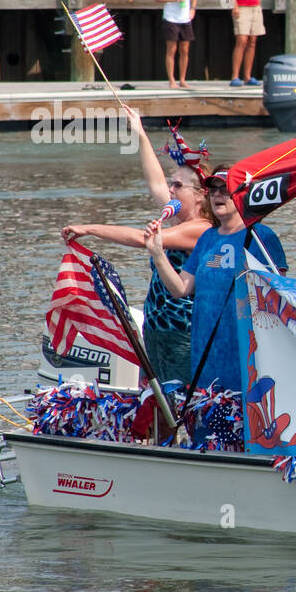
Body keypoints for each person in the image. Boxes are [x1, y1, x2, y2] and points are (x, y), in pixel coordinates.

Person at [64, 108, 215, 385]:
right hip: (156, 330)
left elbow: (140, 239)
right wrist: (140, 133)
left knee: (179, 406)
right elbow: (156, 182)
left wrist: (90, 229)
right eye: (172, 184)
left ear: (200, 195)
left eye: (178, 186)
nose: (170, 190)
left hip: (182, 335)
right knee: (154, 408)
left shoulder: (201, 229)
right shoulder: (179, 219)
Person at [147, 165, 287, 395]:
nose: (218, 195)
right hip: (206, 351)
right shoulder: (206, 238)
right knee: (205, 422)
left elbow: (279, 297)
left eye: (225, 189)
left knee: (243, 424)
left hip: (245, 351)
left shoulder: (261, 236)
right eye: (213, 190)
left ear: (242, 194)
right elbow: (181, 289)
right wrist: (158, 254)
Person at [156, 0, 197, 86]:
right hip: (171, 17)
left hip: (185, 18)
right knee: (171, 49)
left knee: (185, 49)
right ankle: (171, 79)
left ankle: (182, 79)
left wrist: (193, 8)